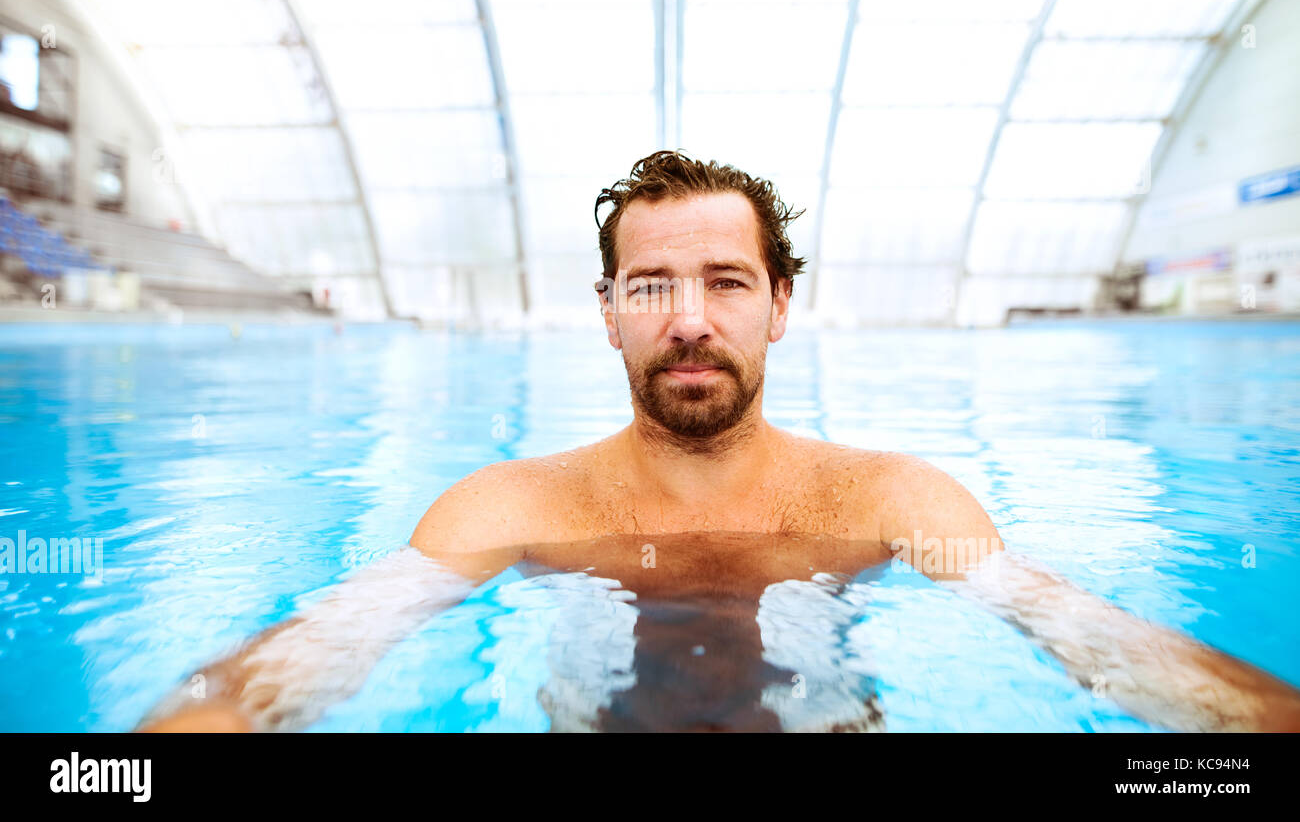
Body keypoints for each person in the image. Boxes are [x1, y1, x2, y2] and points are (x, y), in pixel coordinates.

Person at [139, 151, 1300, 733]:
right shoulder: (510, 507)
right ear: (606, 312)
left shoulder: (888, 499)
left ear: (779, 303)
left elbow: (1101, 645)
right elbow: (287, 671)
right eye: (650, 284)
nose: (688, 316)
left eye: (725, 281)